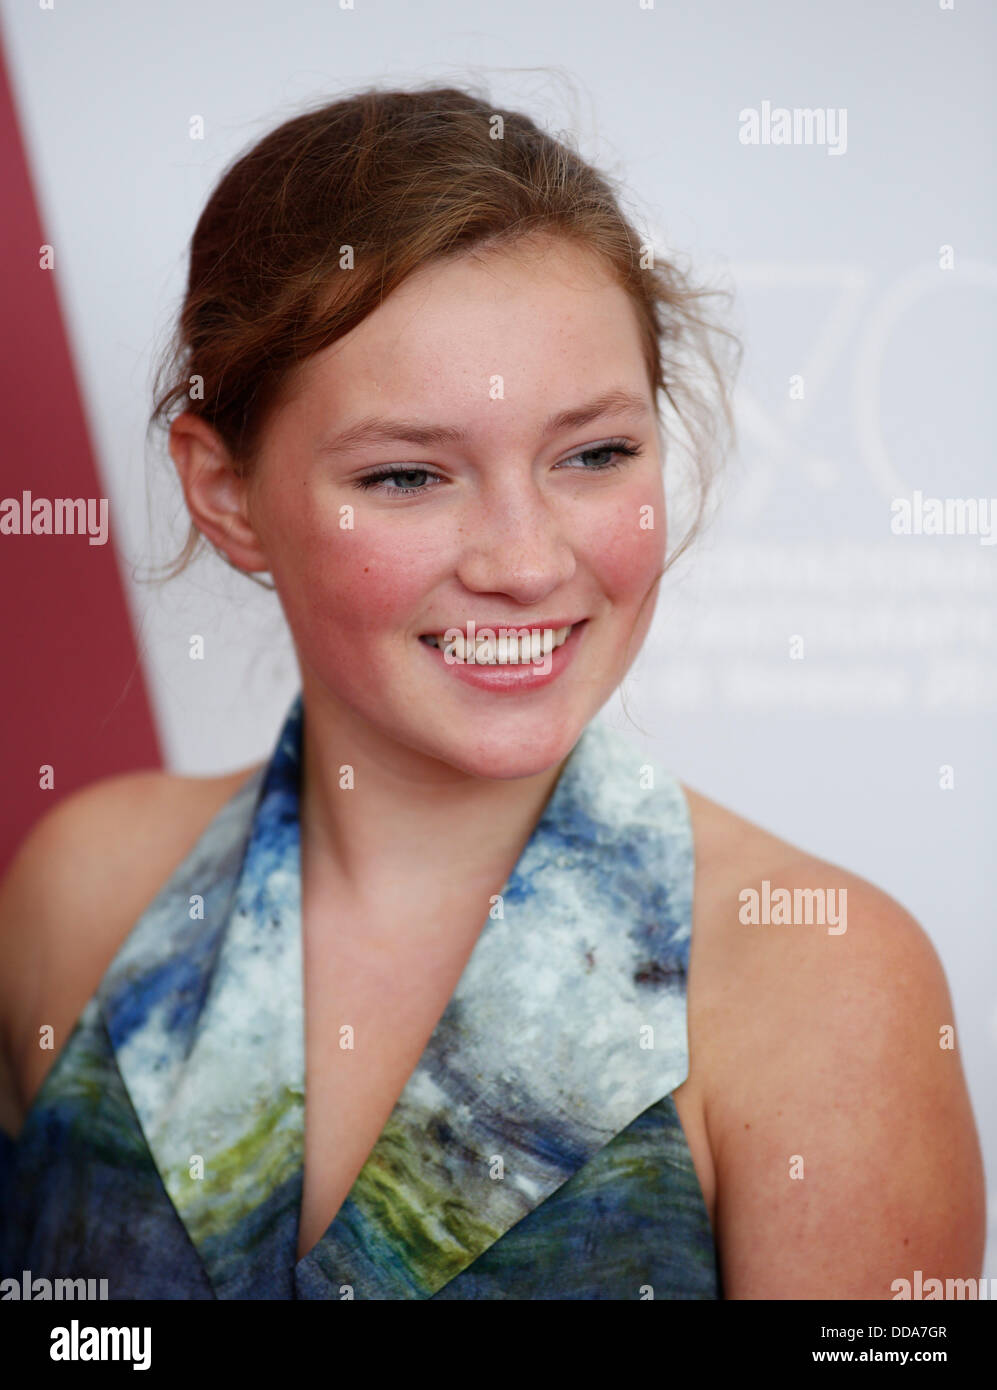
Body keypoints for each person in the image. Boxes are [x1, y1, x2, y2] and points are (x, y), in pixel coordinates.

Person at [0, 85, 984, 1300]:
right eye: (409, 473)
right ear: (227, 493)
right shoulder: (83, 894)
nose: (525, 561)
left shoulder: (826, 988)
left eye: (594, 455)